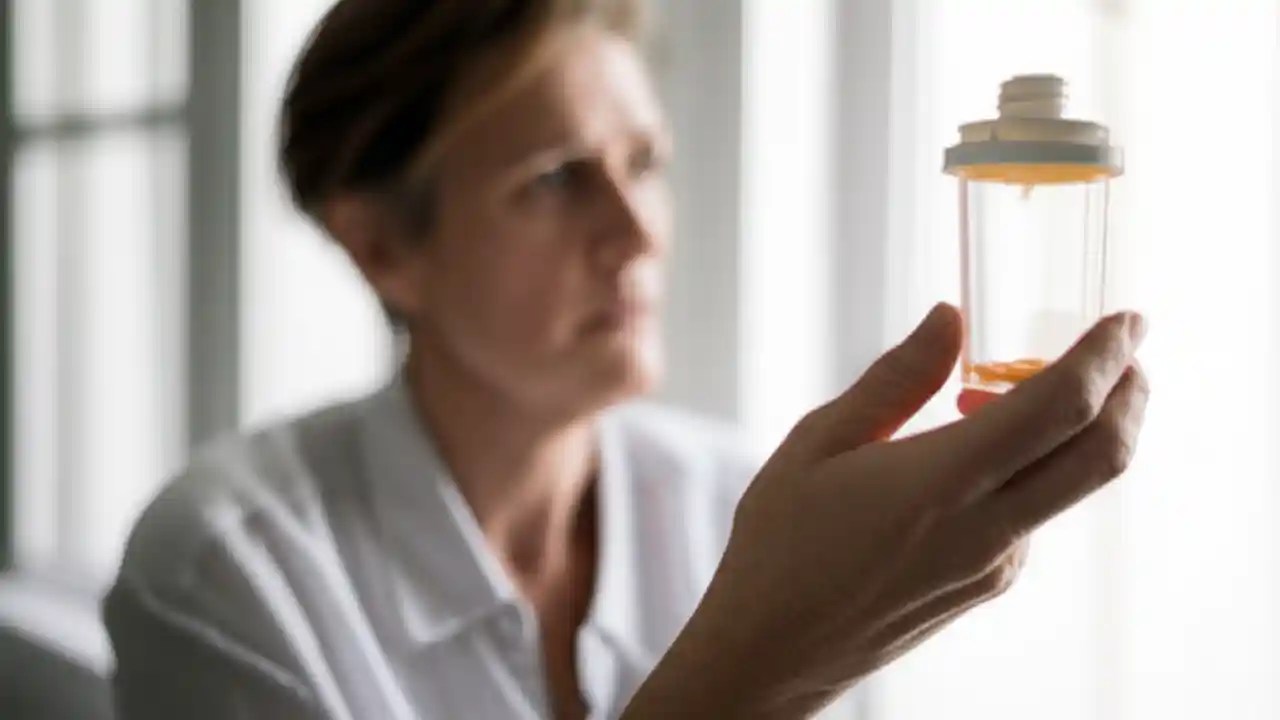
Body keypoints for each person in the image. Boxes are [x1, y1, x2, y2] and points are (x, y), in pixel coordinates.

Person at [103, 1, 1150, 718]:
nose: (638, 234)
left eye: (642, 163)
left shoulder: (734, 505)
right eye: (556, 180)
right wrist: (751, 674)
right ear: (382, 247)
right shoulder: (228, 571)